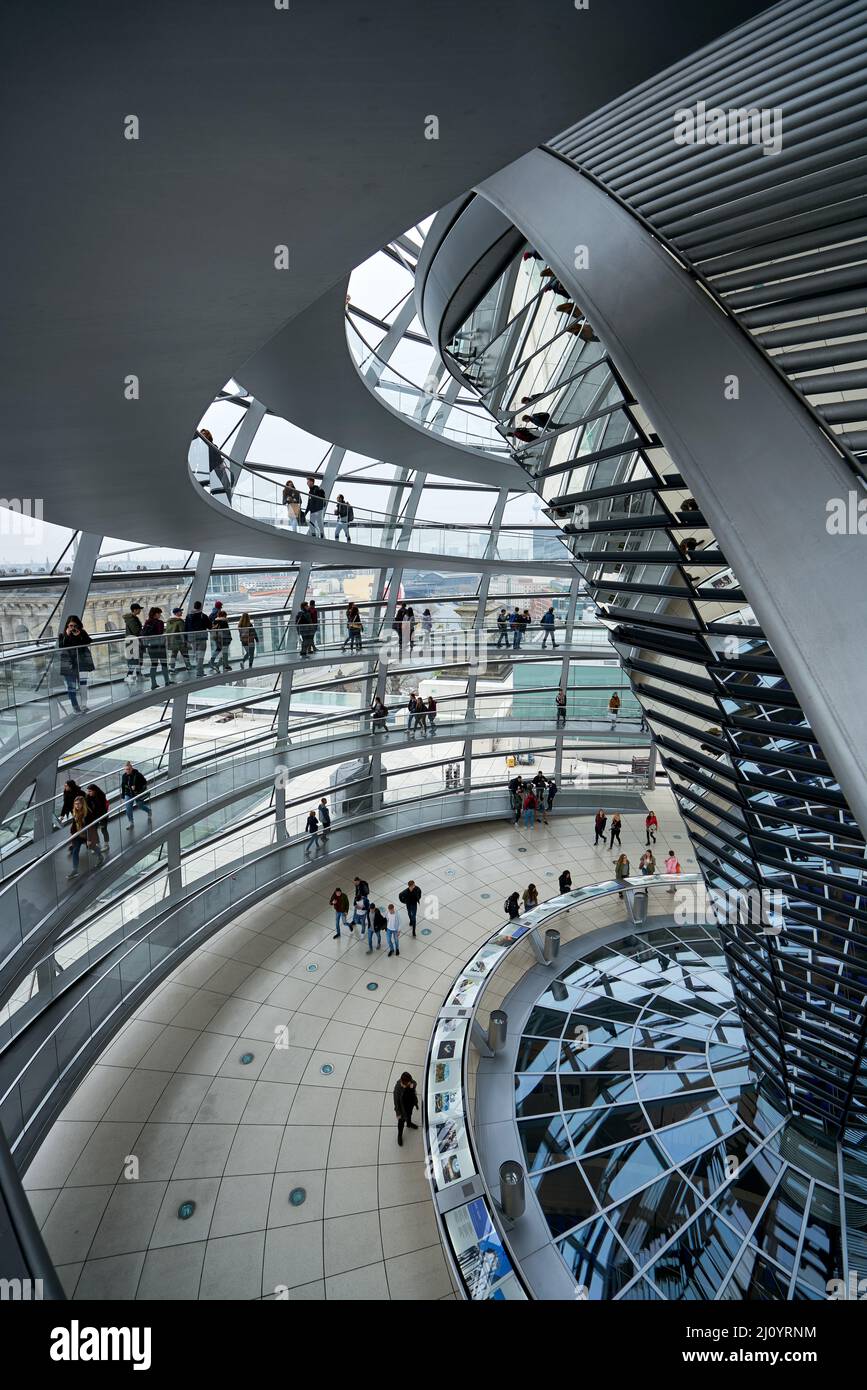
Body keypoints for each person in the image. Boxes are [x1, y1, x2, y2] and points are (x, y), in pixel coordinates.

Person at [58, 615, 94, 713]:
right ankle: (75, 706)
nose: (73, 627)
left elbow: (89, 641)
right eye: (71, 625)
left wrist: (79, 636)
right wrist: (67, 635)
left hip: (81, 663)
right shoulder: (63, 635)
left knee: (83, 685)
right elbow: (61, 647)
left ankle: (83, 705)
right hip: (68, 664)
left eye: (75, 625)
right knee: (71, 686)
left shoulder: (81, 633)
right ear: (67, 625)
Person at [67, 794, 100, 878]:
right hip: (78, 835)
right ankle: (75, 870)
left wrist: (89, 839)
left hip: (87, 835)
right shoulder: (75, 812)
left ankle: (100, 856)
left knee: (92, 847)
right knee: (75, 851)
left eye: (78, 804)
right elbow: (74, 825)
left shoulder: (88, 813)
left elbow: (91, 827)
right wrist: (73, 835)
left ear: (82, 804)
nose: (77, 805)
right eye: (75, 804)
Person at [197, 427, 233, 499]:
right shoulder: (200, 448)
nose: (202, 435)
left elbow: (217, 461)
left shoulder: (212, 447)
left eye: (203, 434)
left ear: (208, 435)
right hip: (205, 472)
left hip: (212, 471)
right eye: (201, 434)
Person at [142, 607, 172, 688]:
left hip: (151, 647)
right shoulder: (160, 623)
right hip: (160, 646)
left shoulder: (147, 622)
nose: (160, 615)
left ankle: (153, 683)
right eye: (159, 613)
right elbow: (160, 632)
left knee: (154, 664)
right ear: (156, 614)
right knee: (164, 664)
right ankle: (167, 681)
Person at [121, 762, 153, 829]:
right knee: (128, 809)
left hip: (137, 794)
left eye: (129, 769)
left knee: (140, 806)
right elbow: (123, 785)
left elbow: (144, 782)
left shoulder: (138, 775)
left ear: (132, 768)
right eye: (126, 769)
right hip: (128, 794)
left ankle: (149, 811)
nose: (127, 771)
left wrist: (136, 786)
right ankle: (131, 822)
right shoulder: (124, 776)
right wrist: (123, 795)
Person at [184, 601, 212, 677]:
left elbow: (185, 627)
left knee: (197, 654)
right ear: (201, 607)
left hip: (191, 637)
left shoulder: (188, 616)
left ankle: (199, 670)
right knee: (201, 655)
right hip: (201, 637)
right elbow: (210, 626)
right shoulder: (203, 616)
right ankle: (199, 671)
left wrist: (186, 638)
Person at [393, 1072, 419, 1146]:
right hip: (402, 1109)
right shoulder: (398, 1089)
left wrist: (412, 1085)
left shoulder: (409, 1081)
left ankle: (409, 1124)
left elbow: (415, 1083)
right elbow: (396, 1102)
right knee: (401, 1123)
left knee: (410, 1115)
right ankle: (399, 1135)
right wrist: (398, 1113)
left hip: (410, 1104)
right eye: (408, 1083)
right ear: (403, 1082)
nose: (410, 1083)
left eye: (410, 1082)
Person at [85, 783, 110, 856]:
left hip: (103, 816)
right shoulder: (88, 797)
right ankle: (98, 845)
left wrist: (101, 820)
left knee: (103, 829)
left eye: (90, 791)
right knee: (94, 830)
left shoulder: (101, 796)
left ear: (94, 791)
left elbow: (103, 809)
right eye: (88, 791)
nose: (88, 793)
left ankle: (106, 845)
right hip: (94, 816)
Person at [166, 607, 191, 674]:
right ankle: (188, 667)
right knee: (185, 654)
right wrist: (185, 641)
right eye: (180, 611)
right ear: (177, 613)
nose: (182, 612)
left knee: (173, 655)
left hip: (172, 640)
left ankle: (172, 668)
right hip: (180, 641)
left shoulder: (169, 621)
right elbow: (182, 632)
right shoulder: (180, 621)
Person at [123, 603, 144, 682]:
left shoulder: (133, 618)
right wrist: (143, 631)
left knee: (137, 659)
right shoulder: (131, 619)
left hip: (134, 641)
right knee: (133, 660)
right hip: (132, 642)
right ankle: (129, 676)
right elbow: (136, 631)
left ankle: (139, 675)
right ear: (135, 610)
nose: (140, 610)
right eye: (139, 609)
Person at [210, 607, 232, 671]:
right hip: (224, 639)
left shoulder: (215, 621)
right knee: (225, 653)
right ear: (224, 615)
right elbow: (227, 631)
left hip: (217, 639)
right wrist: (230, 638)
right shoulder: (224, 622)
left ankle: (215, 662)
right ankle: (223, 665)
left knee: (220, 651)